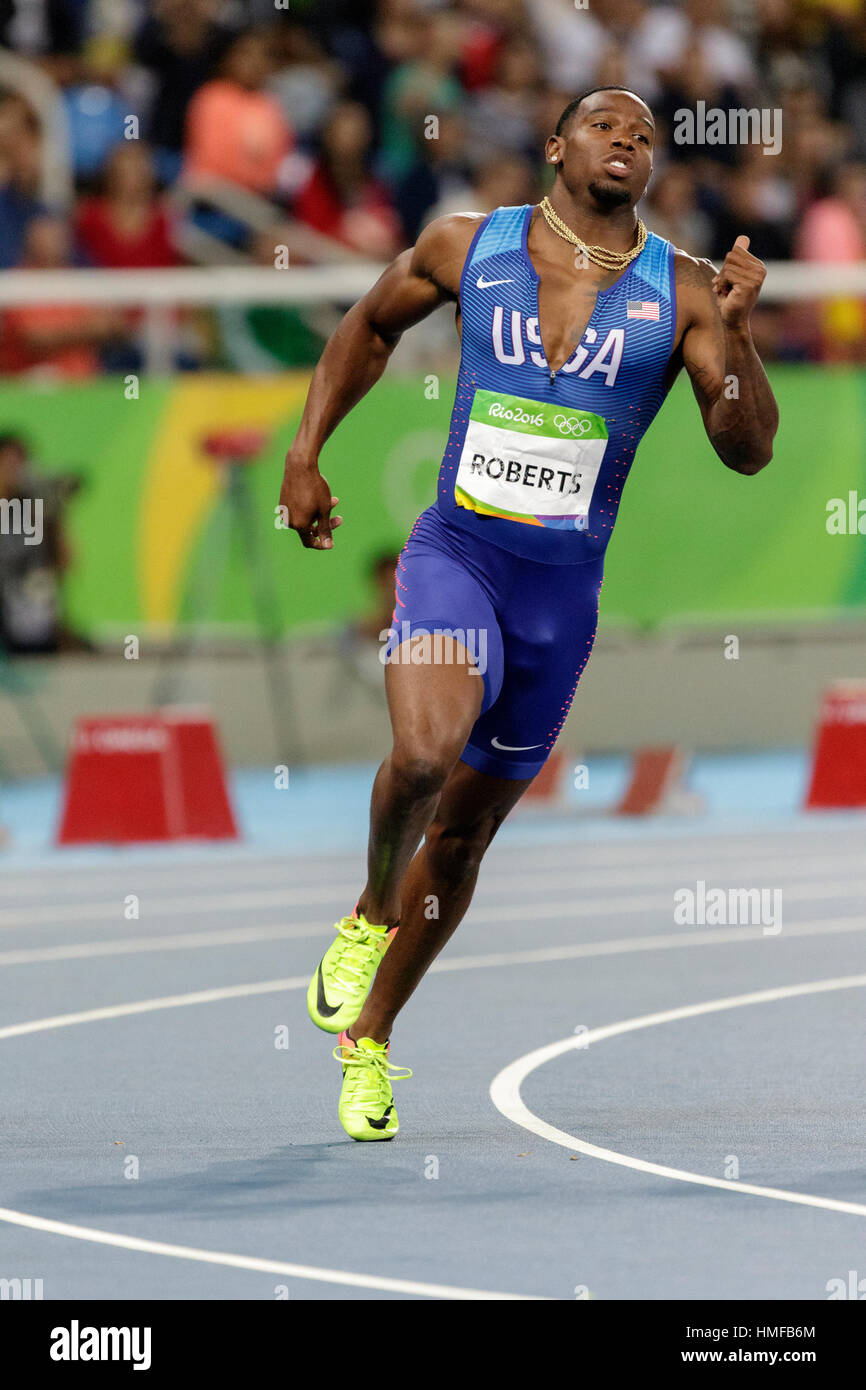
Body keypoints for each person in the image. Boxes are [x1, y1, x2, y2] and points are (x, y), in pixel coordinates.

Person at [278, 86, 778, 1142]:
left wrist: (737, 341)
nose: (626, 142)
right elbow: (366, 328)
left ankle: (367, 1040)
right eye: (604, 124)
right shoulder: (466, 245)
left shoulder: (682, 292)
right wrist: (304, 453)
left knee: (459, 840)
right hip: (459, 554)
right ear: (554, 145)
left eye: (644, 136)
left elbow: (744, 448)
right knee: (421, 757)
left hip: (559, 603)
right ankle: (368, 912)